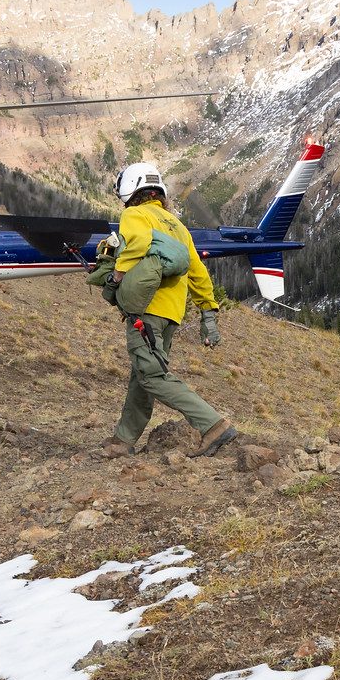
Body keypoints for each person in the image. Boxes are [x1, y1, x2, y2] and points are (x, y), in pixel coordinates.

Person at [91, 162, 237, 458]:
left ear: (129, 190)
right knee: (143, 373)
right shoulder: (178, 226)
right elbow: (197, 271)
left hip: (147, 309)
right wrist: (208, 314)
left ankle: (213, 425)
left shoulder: (135, 214)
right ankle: (124, 438)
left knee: (152, 376)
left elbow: (137, 244)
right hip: (171, 313)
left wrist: (116, 276)